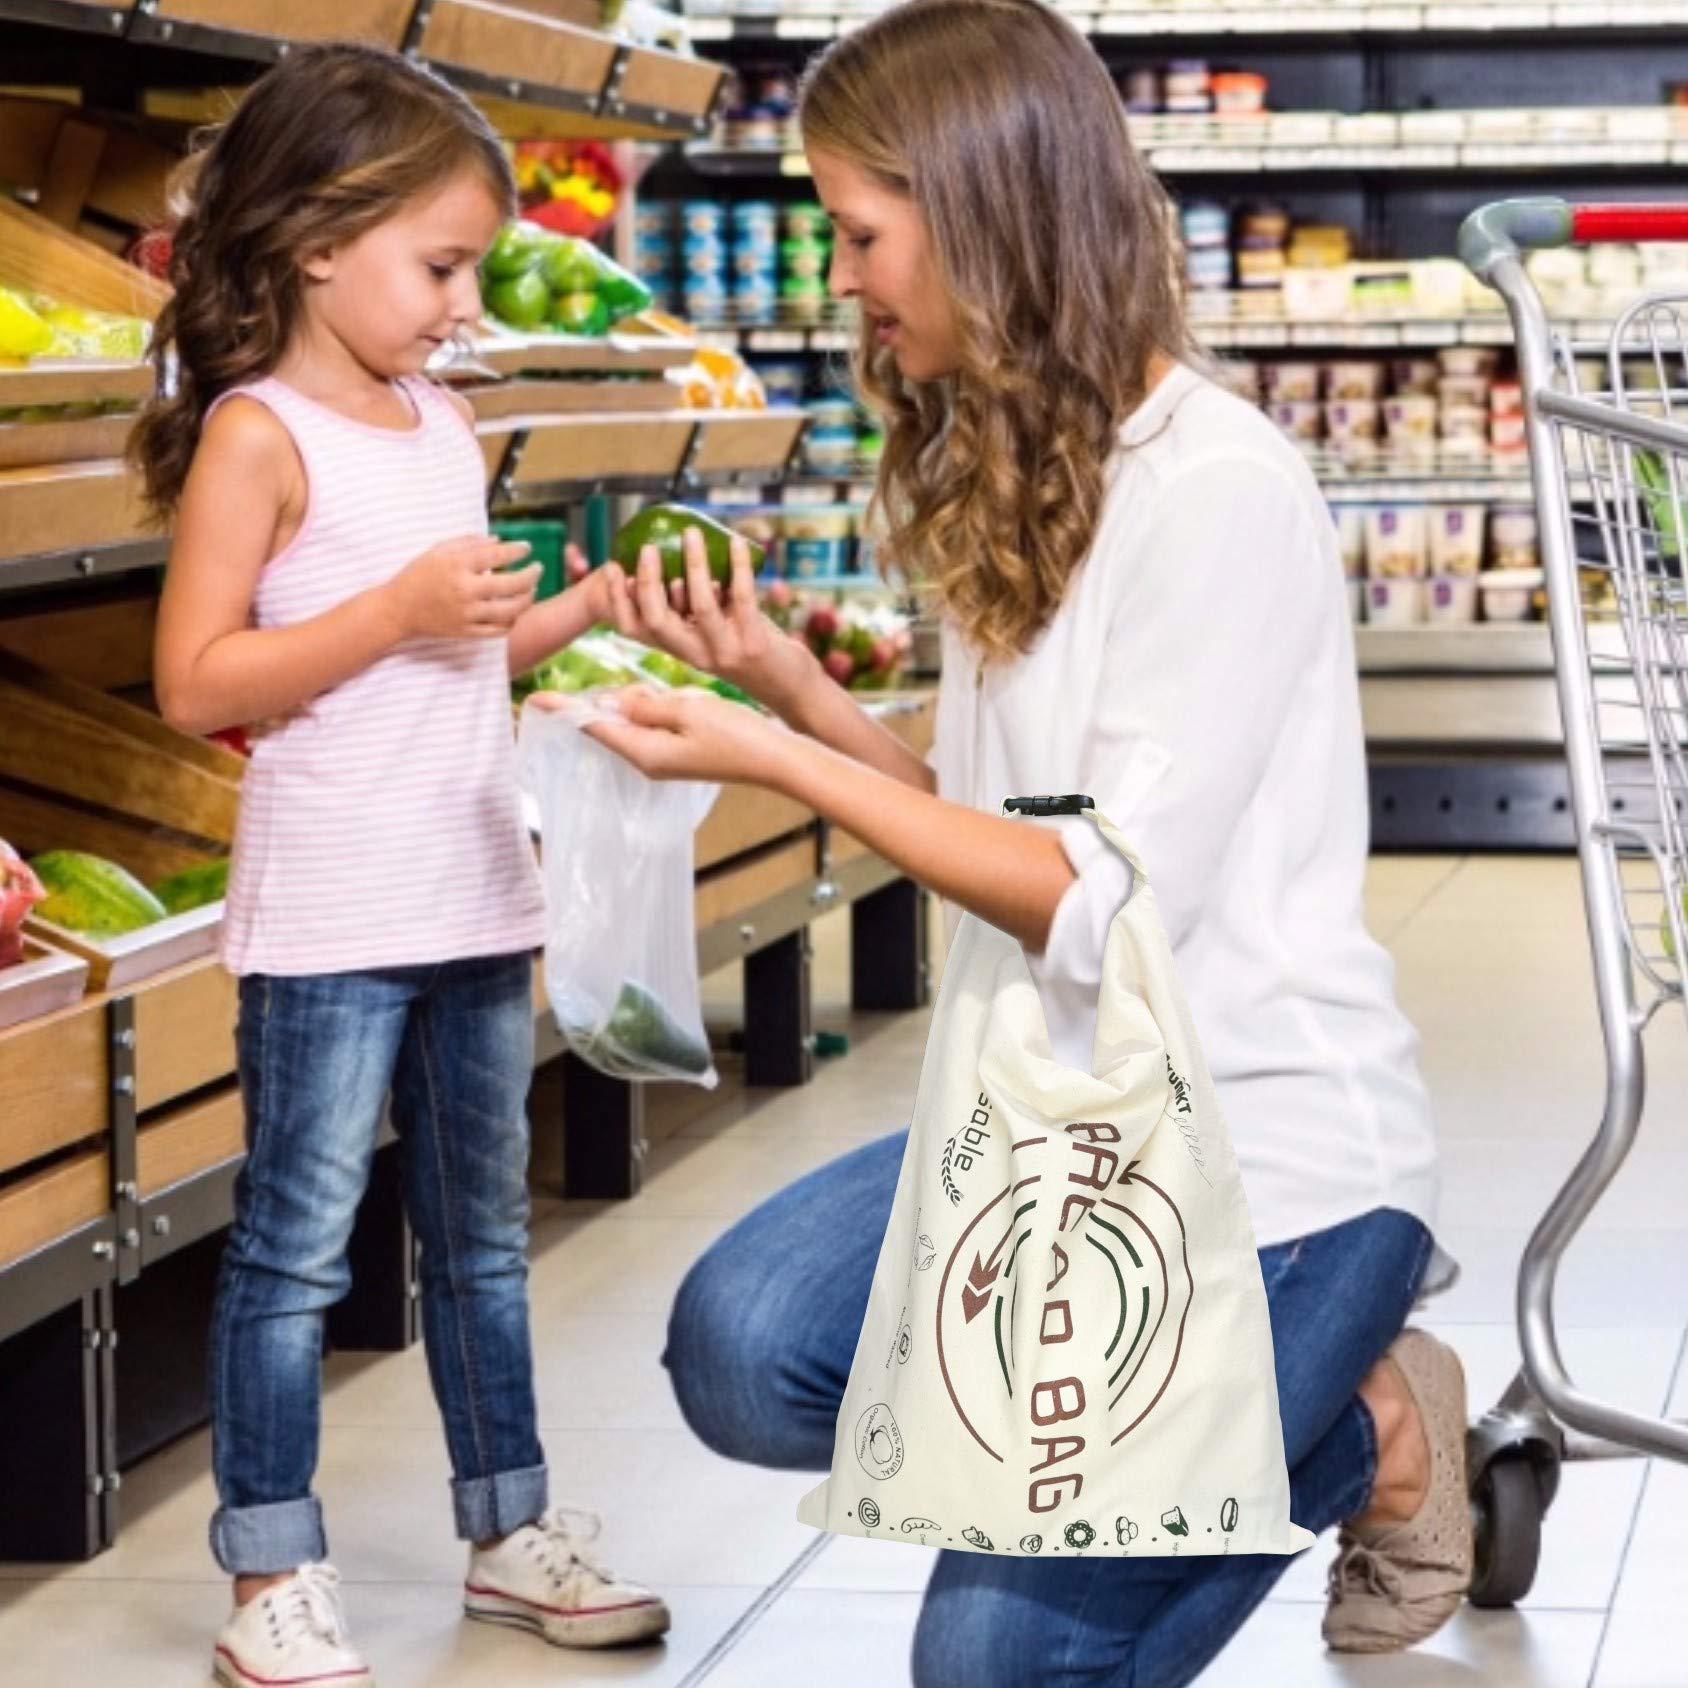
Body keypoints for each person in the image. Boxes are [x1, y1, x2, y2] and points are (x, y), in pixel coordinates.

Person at [576, 0, 1471, 1680]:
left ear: (984, 207)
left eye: (861, 232)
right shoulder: (1026, 457)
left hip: (1255, 1155)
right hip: (1048, 1122)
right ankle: (1304, 1416)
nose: (844, 277)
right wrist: (787, 688)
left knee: (992, 1670)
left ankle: (1371, 1427)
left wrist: (777, 753)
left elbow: (1087, 894)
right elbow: (998, 810)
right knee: (741, 1346)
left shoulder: (1213, 489)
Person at [137, 44, 669, 1688]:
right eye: (438, 265)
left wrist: (589, 622)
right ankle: (269, 1571)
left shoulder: (441, 420)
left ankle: (509, 1532)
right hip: (332, 915)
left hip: (470, 887)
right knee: (298, 1248)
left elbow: (459, 666)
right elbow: (197, 681)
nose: (458, 302)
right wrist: (394, 611)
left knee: (484, 1236)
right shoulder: (257, 432)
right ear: (312, 237)